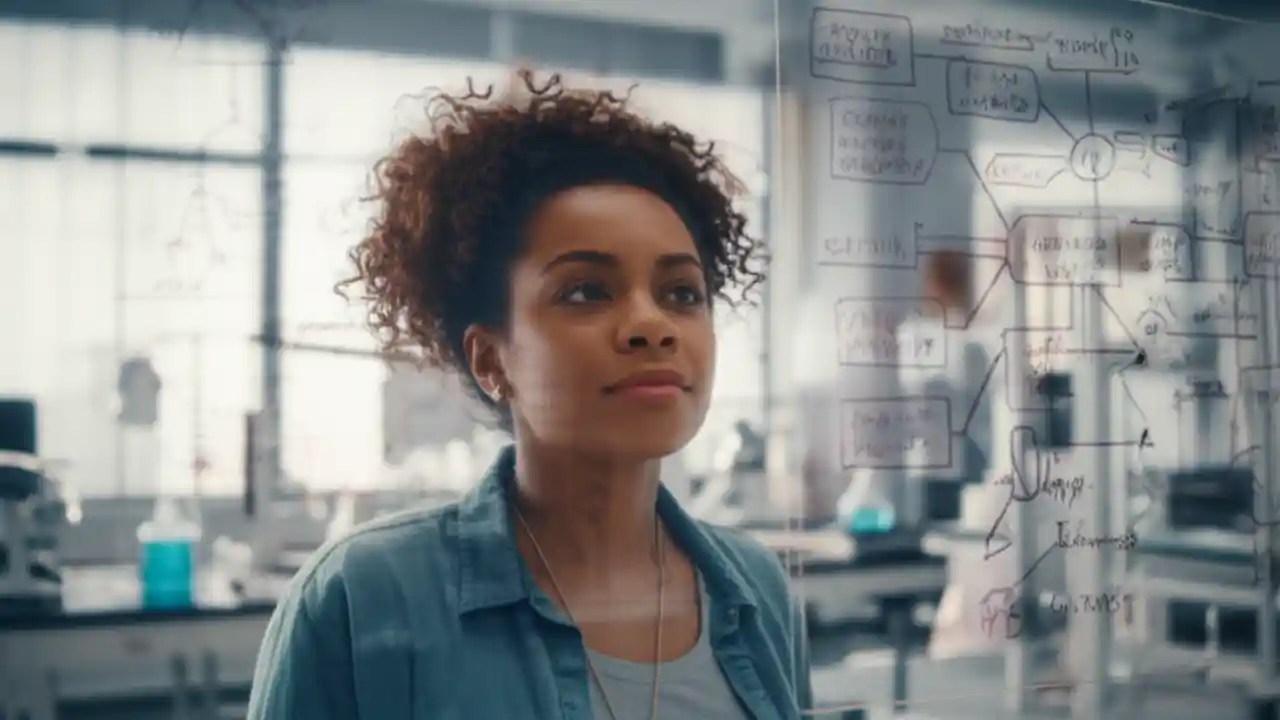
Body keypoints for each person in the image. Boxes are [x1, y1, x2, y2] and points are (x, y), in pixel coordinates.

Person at [247, 69, 812, 719]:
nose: (652, 325)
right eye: (586, 291)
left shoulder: (755, 588)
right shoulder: (362, 597)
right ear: (490, 359)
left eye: (681, 293)